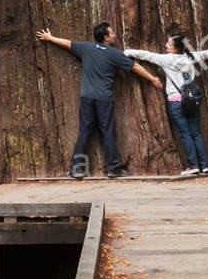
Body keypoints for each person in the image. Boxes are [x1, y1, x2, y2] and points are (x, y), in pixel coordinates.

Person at [38, 21, 163, 178]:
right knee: (108, 132)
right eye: (111, 33)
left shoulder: (86, 48)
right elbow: (136, 67)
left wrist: (50, 38)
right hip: (104, 99)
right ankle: (113, 168)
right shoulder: (115, 54)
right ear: (105, 37)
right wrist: (152, 79)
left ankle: (77, 169)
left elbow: (67, 44)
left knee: (84, 132)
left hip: (87, 97)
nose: (114, 35)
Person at [125, 32, 208, 176]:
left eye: (169, 44)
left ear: (176, 48)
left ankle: (193, 165)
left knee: (185, 134)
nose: (166, 45)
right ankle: (204, 165)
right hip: (192, 101)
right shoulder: (190, 57)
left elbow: (147, 55)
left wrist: (128, 52)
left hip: (176, 102)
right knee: (196, 133)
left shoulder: (167, 59)